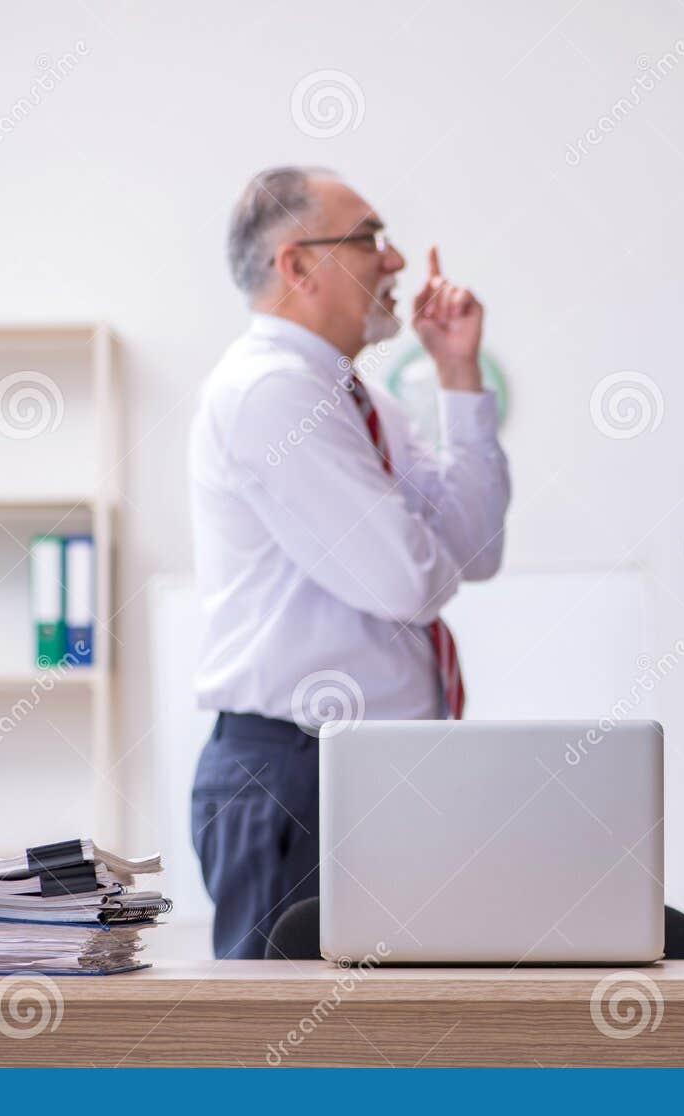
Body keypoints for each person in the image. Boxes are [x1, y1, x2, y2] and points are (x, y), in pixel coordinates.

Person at [188, 166, 511, 958]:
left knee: (384, 1051)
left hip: (376, 770)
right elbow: (408, 582)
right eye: (369, 238)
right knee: (287, 1062)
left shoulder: (361, 401)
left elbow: (477, 550)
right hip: (297, 774)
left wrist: (459, 375)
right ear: (297, 266)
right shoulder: (272, 393)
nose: (395, 260)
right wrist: (415, 544)